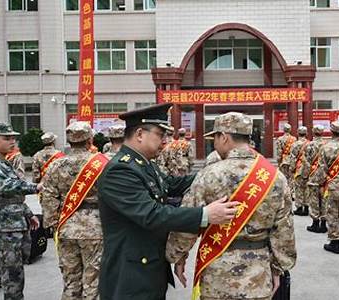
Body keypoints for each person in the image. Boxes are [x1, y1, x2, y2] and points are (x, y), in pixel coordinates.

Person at [96, 103, 240, 300]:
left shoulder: (145, 164)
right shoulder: (120, 171)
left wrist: (215, 173)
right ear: (139, 134)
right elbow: (152, 214)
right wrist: (205, 215)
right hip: (130, 275)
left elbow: (172, 184)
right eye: (160, 134)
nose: (165, 141)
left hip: (149, 267)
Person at [166, 112, 296, 300]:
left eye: (215, 138)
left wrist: (177, 256)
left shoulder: (209, 174)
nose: (215, 144)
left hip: (217, 274)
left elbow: (188, 220)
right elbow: (284, 230)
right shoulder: (274, 177)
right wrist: (278, 269)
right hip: (259, 276)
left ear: (224, 137)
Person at [40, 121, 106, 299]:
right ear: (89, 140)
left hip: (66, 227)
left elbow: (48, 196)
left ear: (69, 141)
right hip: (96, 229)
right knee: (93, 281)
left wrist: (52, 224)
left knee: (70, 280)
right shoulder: (101, 164)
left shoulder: (57, 165)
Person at [0, 122, 41, 300]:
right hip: (2, 223)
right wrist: (36, 187)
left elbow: (13, 196)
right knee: (12, 272)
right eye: (7, 138)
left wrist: (28, 213)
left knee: (14, 263)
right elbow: (6, 186)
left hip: (14, 220)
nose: (12, 141)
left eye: (13, 138)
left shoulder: (2, 161)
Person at [309, 121, 339, 253]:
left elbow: (322, 169)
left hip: (333, 183)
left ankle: (334, 242)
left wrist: (319, 183)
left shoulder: (326, 147)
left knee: (332, 213)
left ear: (331, 132)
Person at [302, 125, 327, 233]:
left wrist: (305, 176)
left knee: (314, 200)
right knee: (325, 200)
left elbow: (306, 162)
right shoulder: (327, 145)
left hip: (313, 176)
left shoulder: (309, 145)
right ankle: (324, 224)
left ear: (313, 132)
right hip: (326, 177)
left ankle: (315, 223)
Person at [286, 126, 310, 216]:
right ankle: (307, 207)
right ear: (306, 133)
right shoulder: (310, 144)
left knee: (299, 189)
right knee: (307, 189)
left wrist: (292, 169)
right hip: (308, 169)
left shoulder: (295, 144)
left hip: (299, 169)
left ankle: (300, 208)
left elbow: (293, 158)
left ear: (297, 133)